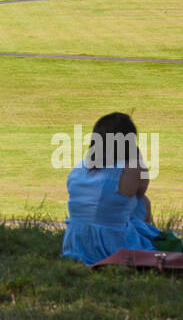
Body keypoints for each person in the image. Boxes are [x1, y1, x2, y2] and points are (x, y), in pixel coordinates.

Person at [61, 112, 159, 265]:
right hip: (111, 246)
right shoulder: (132, 169)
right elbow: (141, 192)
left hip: (74, 243)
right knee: (142, 202)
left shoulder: (78, 168)